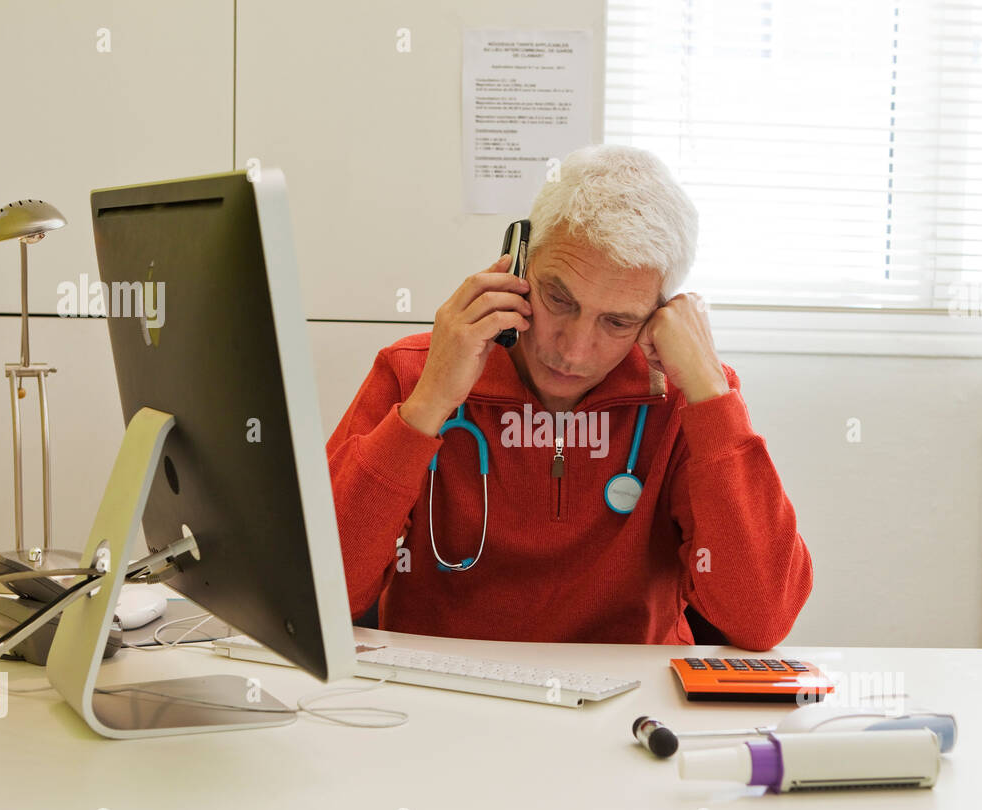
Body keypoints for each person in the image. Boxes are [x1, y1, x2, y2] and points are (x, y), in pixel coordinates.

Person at [326, 144, 812, 650]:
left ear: (660, 314)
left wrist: (712, 398)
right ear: (517, 264)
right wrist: (427, 404)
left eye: (617, 321)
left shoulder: (688, 397)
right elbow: (324, 595)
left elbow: (761, 620)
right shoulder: (413, 372)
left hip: (630, 709)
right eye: (559, 298)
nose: (574, 351)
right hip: (445, 696)